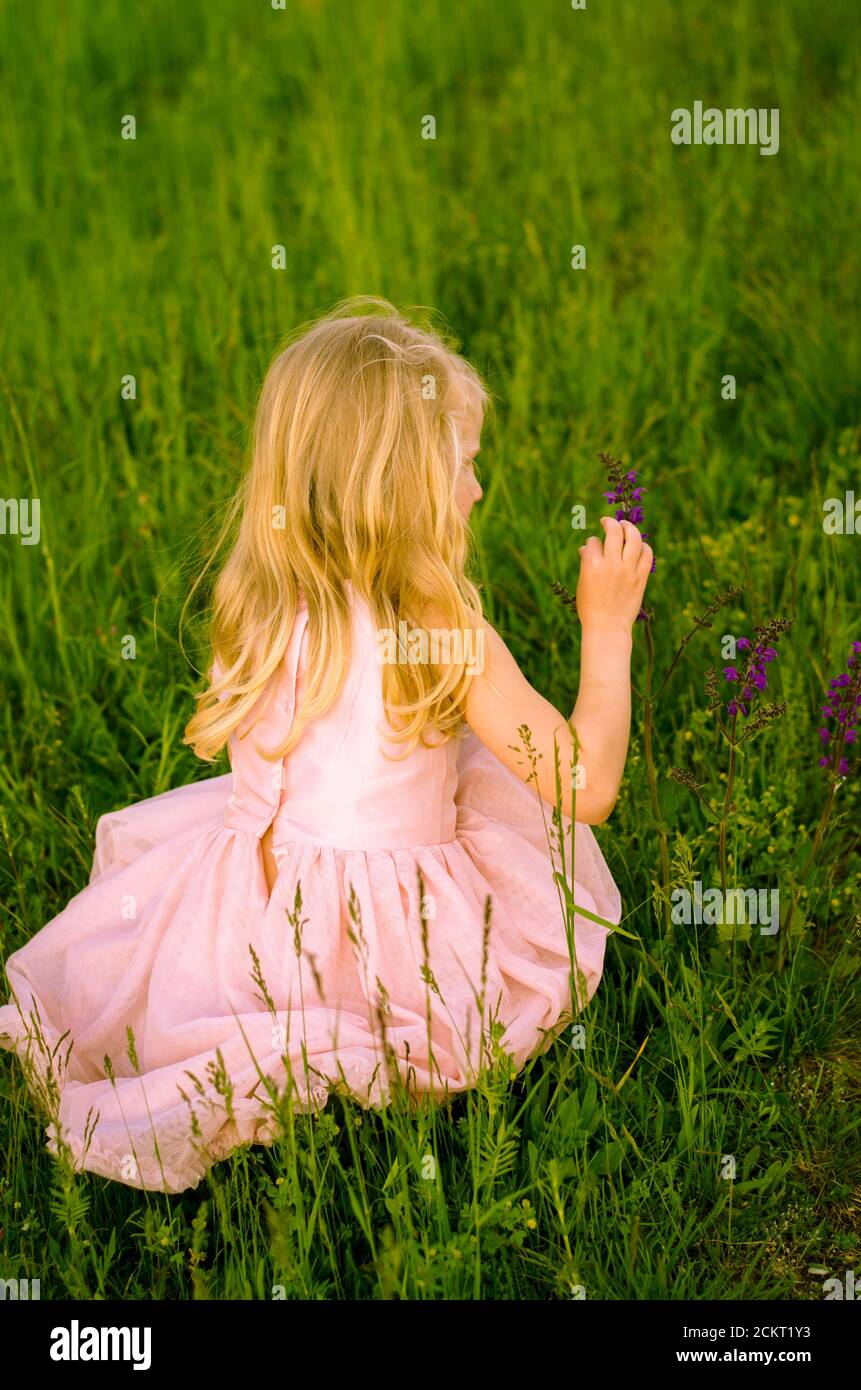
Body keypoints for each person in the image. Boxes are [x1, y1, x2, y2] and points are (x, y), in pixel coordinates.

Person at [0, 297, 651, 1193]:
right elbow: (586, 786)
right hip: (390, 939)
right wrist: (606, 627)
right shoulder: (443, 628)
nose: (477, 489)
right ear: (401, 485)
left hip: (245, 918)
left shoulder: (264, 604)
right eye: (462, 466)